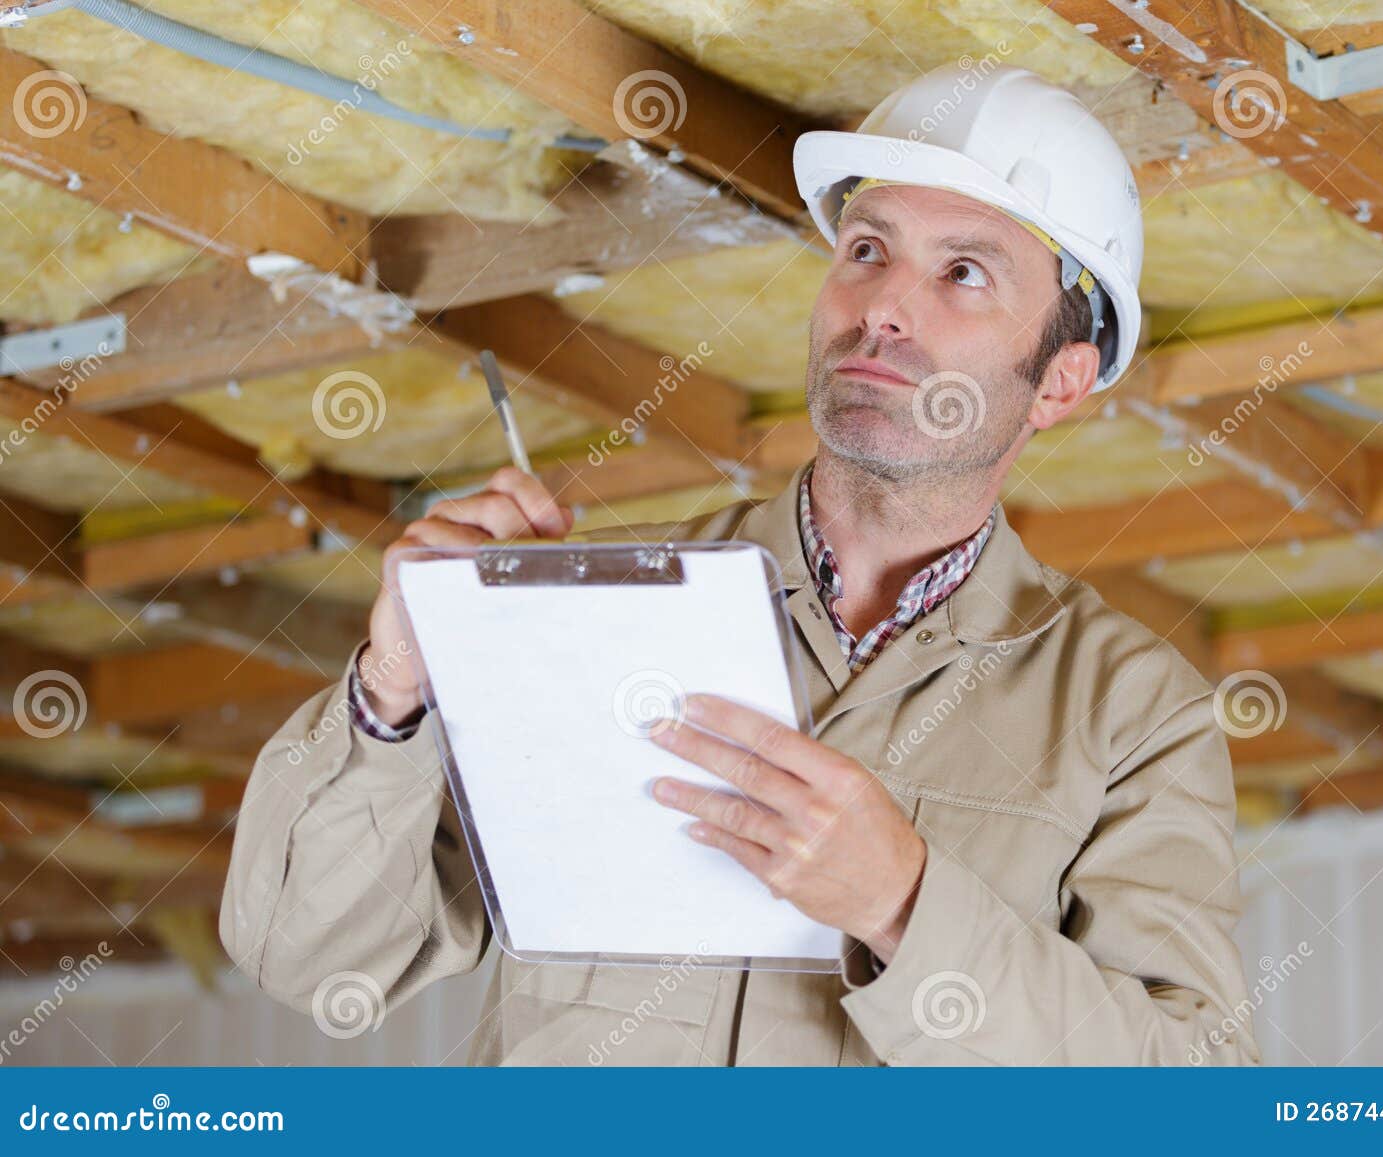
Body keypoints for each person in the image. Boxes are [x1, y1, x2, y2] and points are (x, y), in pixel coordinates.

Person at [221, 62, 1259, 1066]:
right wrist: (389, 696)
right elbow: (310, 957)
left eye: (963, 272)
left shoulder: (1131, 711)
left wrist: (902, 902)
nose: (884, 305)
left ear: (1061, 381)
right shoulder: (598, 607)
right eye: (865, 249)